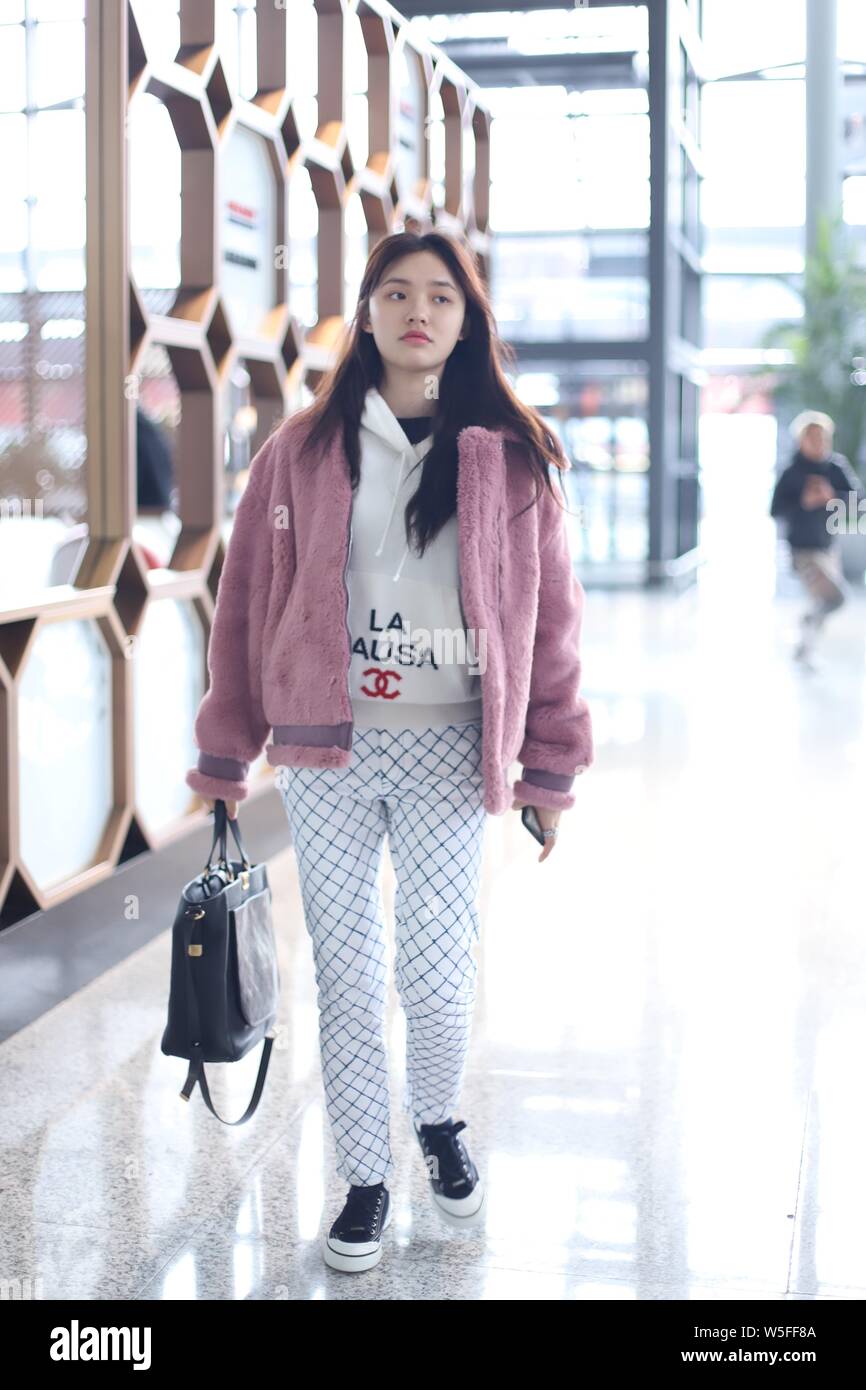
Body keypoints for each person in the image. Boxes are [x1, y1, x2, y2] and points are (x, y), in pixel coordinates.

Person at [185, 230, 594, 1273]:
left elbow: (549, 626)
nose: (419, 311)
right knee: (350, 970)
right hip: (323, 749)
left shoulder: (511, 456)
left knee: (435, 962)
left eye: (441, 297)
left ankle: (439, 1120)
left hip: (452, 750)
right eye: (396, 293)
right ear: (365, 313)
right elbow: (245, 610)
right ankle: (365, 1175)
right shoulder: (300, 450)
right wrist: (226, 755)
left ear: (467, 321)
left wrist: (546, 770)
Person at [770, 411, 866, 667]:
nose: (818, 442)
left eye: (823, 437)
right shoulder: (792, 471)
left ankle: (804, 647)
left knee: (820, 601)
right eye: (812, 437)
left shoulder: (836, 467)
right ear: (801, 440)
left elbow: (859, 500)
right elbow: (775, 509)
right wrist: (804, 502)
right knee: (835, 597)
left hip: (828, 547)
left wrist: (831, 495)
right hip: (802, 551)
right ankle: (805, 631)